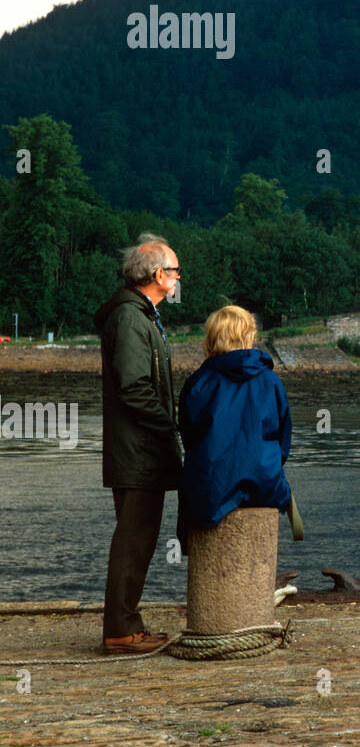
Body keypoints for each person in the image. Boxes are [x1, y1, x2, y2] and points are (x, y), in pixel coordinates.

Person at [94, 233, 183, 655]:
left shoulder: (138, 314)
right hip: (138, 450)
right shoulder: (131, 318)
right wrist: (172, 425)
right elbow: (133, 387)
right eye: (176, 271)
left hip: (142, 448)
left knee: (139, 539)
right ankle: (120, 631)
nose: (180, 278)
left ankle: (127, 625)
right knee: (133, 540)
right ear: (158, 274)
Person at [176, 306, 292, 554]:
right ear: (249, 336)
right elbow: (283, 439)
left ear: (212, 337)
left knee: (194, 475)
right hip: (266, 483)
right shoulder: (271, 380)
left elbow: (189, 437)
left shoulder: (199, 382)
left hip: (212, 487)